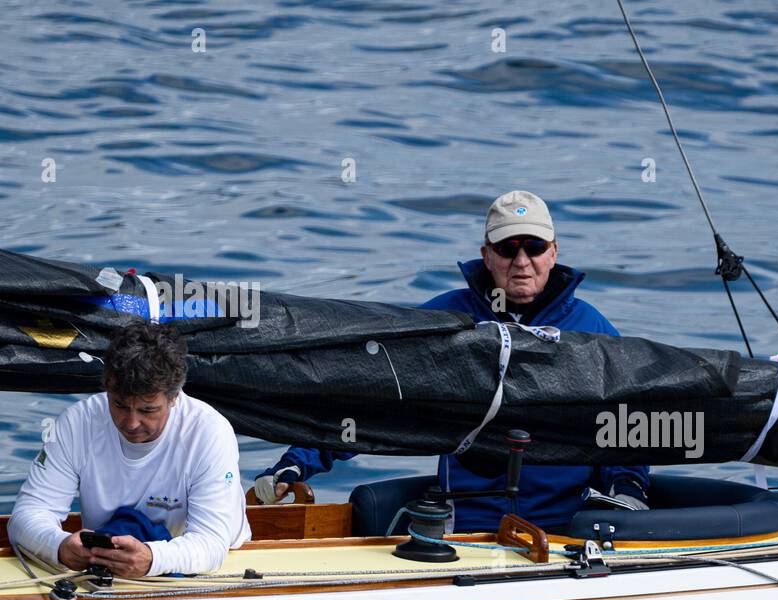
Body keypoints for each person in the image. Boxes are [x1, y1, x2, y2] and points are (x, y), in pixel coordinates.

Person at [255, 189, 650, 531]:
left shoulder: (592, 329)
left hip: (564, 528)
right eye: (508, 248)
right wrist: (296, 463)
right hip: (466, 525)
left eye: (534, 247)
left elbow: (625, 416)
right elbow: (373, 398)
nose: (522, 261)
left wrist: (628, 488)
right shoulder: (443, 322)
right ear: (486, 255)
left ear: (554, 252)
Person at [9, 322, 251, 578]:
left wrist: (152, 558)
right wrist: (58, 546)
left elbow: (211, 544)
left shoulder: (209, 432)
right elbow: (25, 516)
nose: (132, 423)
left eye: (148, 410)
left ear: (174, 397)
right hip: (107, 569)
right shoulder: (76, 423)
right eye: (120, 405)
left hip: (214, 566)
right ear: (107, 388)